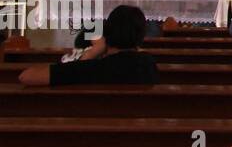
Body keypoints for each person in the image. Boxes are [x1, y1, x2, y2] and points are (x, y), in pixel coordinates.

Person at [19, 5, 158, 86]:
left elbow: (26, 76)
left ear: (106, 34)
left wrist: (93, 53)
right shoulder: (149, 65)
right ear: (140, 38)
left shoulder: (96, 68)